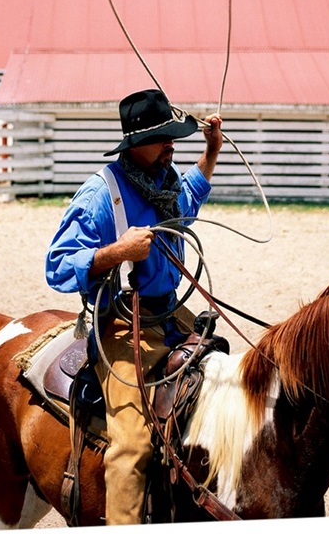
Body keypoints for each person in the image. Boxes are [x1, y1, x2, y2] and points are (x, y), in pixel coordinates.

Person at [45, 88, 223, 526]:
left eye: (173, 137)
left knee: (224, 377)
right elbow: (58, 266)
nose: (171, 145)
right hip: (123, 325)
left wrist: (211, 152)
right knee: (132, 446)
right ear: (135, 143)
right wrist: (117, 252)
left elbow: (188, 200)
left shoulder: (165, 179)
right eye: (163, 138)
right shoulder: (101, 194)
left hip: (169, 313)